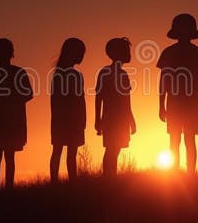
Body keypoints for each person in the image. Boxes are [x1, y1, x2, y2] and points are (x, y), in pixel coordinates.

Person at [157, 14, 198, 174]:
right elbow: (164, 82)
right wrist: (161, 106)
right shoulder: (197, 52)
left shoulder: (171, 52)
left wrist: (161, 105)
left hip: (182, 104)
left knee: (181, 140)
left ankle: (184, 174)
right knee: (183, 140)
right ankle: (181, 174)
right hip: (182, 104)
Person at [0, 38, 33, 190]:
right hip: (6, 122)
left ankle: (1, 189)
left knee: (1, 157)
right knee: (5, 157)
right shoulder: (17, 72)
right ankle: (4, 188)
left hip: (7, 122)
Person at [95, 37, 136, 177]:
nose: (129, 53)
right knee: (111, 149)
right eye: (126, 50)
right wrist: (98, 119)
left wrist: (131, 119)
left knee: (115, 149)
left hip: (122, 119)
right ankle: (108, 178)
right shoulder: (105, 72)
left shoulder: (124, 74)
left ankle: (111, 178)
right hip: (111, 118)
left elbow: (126, 100)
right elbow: (99, 96)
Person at [49, 38, 86, 183]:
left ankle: (60, 182)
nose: (82, 56)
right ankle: (70, 182)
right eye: (81, 53)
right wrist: (81, 119)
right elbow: (78, 99)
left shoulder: (59, 74)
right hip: (69, 119)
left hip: (63, 119)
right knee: (66, 152)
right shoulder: (71, 75)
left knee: (61, 151)